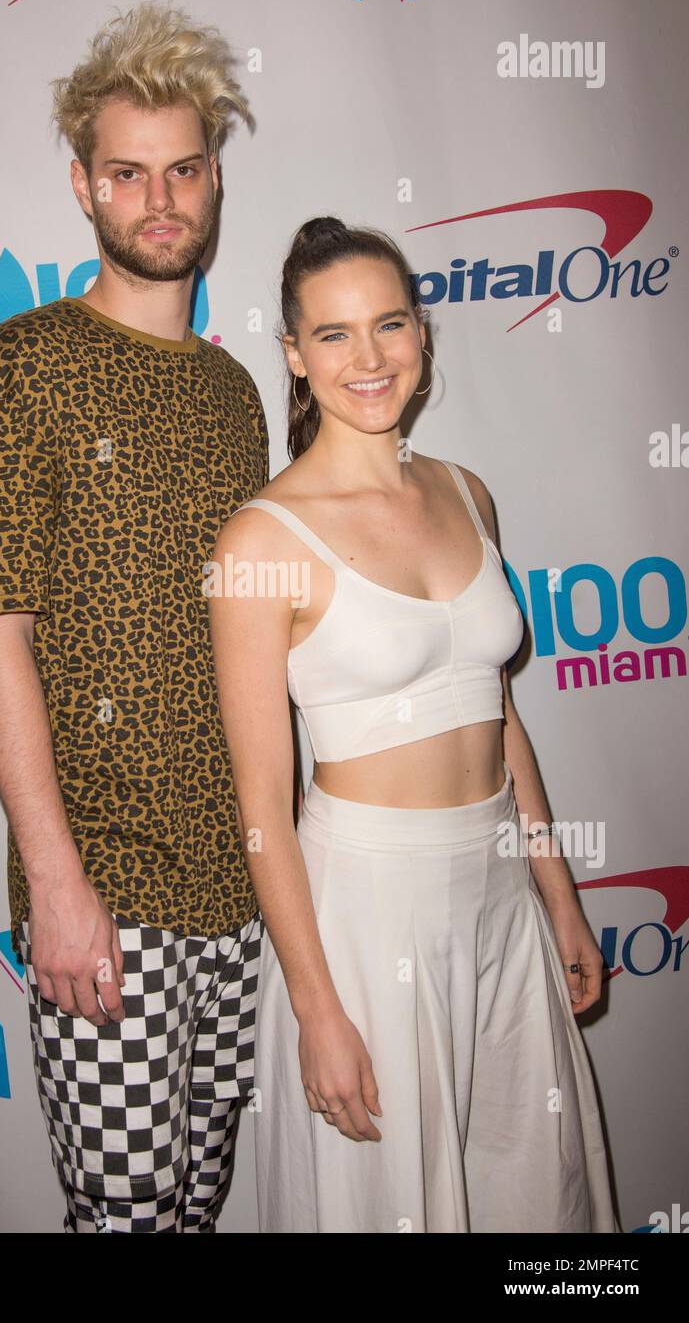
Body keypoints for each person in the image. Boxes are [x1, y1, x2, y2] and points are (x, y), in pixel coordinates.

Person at [208, 216, 621, 1233]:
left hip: (499, 893)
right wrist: (314, 1007)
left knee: (536, 1195)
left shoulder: (465, 491)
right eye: (335, 335)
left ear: (422, 336)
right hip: (365, 910)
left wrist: (555, 894)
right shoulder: (261, 537)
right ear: (296, 356)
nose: (369, 357)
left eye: (389, 325)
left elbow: (499, 715)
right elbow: (261, 801)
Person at [0, 2, 270, 1233]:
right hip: (109, 886)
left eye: (182, 169)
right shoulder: (20, 364)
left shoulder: (236, 390)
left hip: (234, 879)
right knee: (126, 1218)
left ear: (214, 179)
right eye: (128, 173)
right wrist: (57, 878)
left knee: (193, 1206)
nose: (159, 199)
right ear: (83, 185)